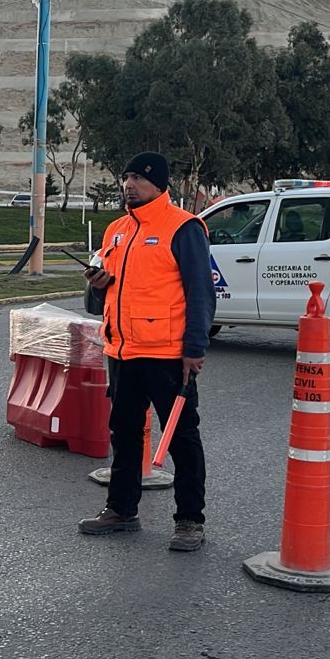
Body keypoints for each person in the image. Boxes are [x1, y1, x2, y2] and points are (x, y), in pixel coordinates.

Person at [79, 152, 216, 551]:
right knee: (123, 434)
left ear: (159, 184)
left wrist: (195, 348)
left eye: (138, 177)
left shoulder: (184, 228)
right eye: (126, 176)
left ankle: (190, 520)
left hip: (167, 353)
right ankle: (121, 509)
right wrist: (98, 283)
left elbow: (200, 292)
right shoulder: (116, 231)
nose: (129, 184)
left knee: (181, 437)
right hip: (122, 351)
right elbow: (98, 299)